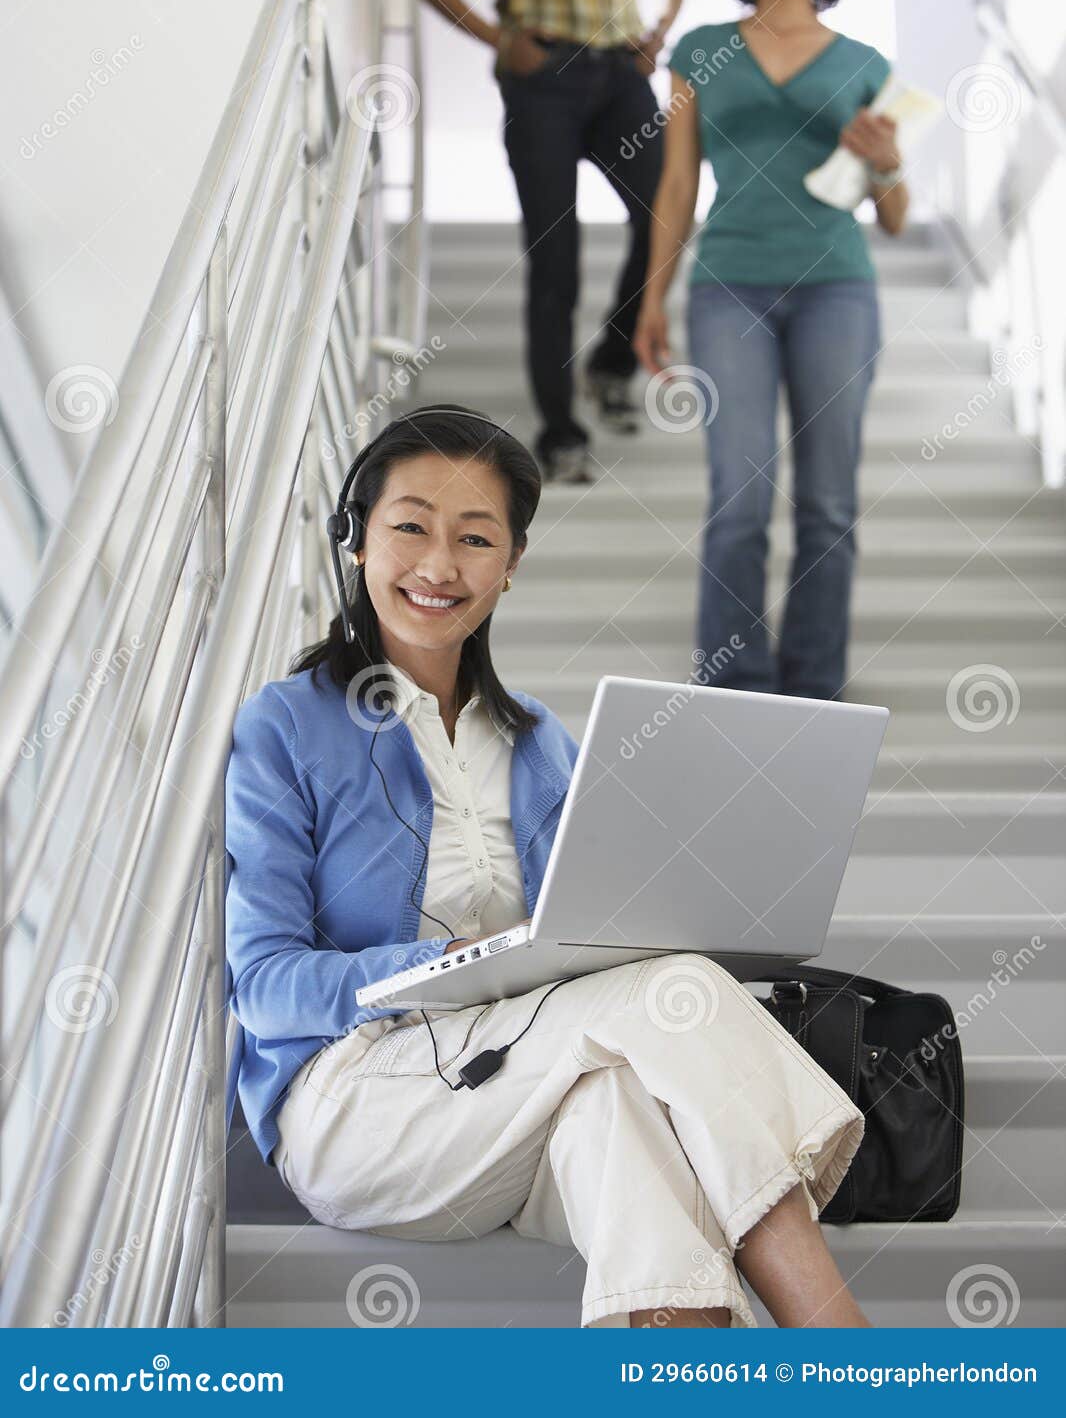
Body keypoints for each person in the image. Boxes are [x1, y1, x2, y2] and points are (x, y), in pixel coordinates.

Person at [225, 403, 872, 1329]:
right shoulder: (286, 726)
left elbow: (596, 934)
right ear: (355, 539)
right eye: (410, 526)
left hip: (524, 1087)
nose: (440, 566)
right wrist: (447, 971)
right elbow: (266, 987)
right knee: (665, 995)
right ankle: (848, 1354)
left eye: (475, 538)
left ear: (511, 565)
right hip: (356, 1106)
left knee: (624, 1115)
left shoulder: (541, 743)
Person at [634, 0, 908, 701]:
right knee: (740, 494)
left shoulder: (866, 64)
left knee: (828, 503)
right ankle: (737, 681)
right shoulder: (700, 51)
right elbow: (677, 184)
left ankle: (815, 686)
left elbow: (892, 216)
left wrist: (889, 167)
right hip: (730, 287)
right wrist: (652, 298)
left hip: (838, 288)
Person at [421, 0, 682, 482]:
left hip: (619, 80)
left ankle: (612, 359)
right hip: (543, 84)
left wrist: (656, 33)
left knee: (664, 218)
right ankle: (560, 428)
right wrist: (502, 40)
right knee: (556, 260)